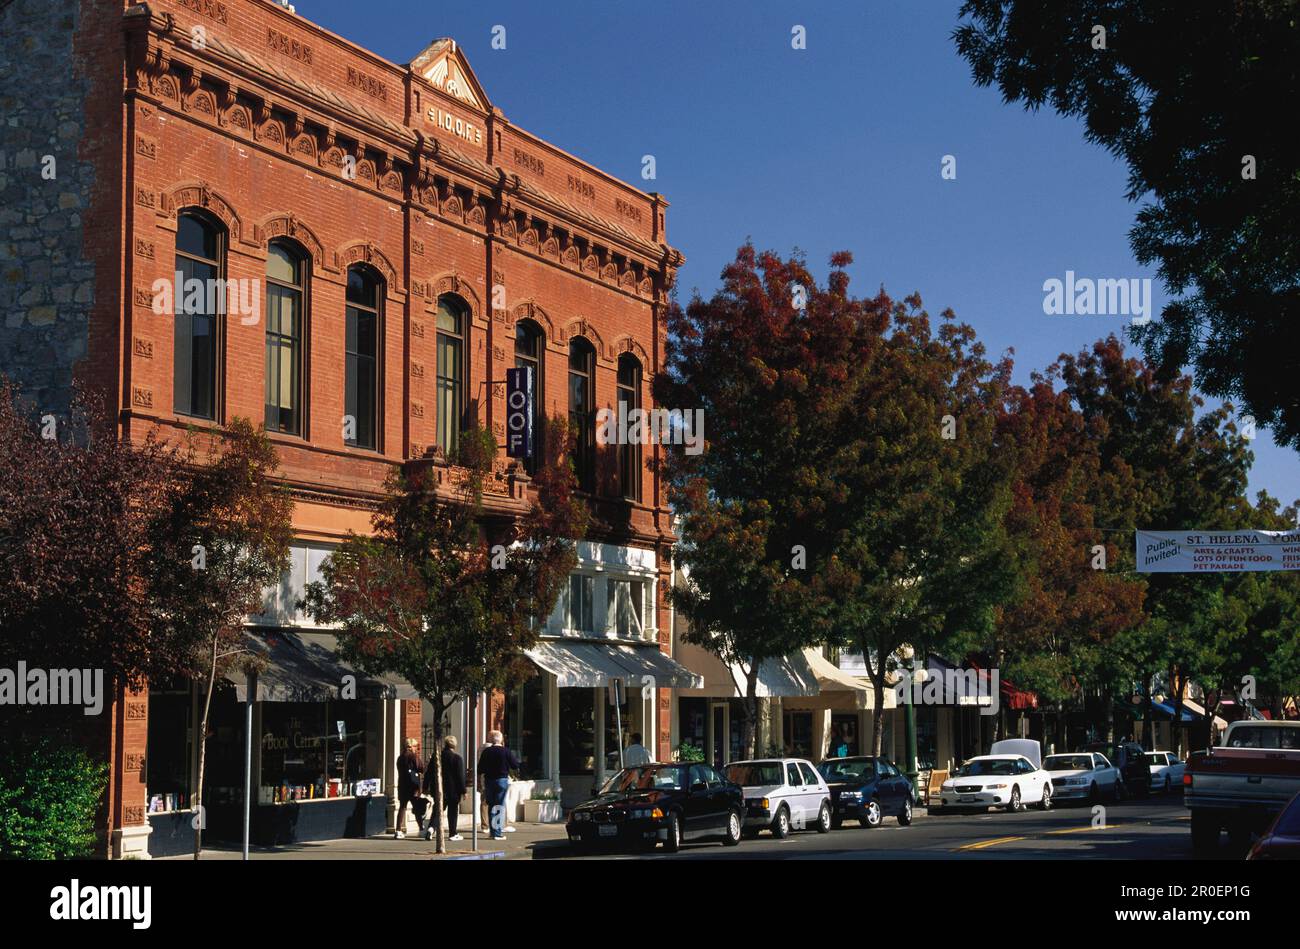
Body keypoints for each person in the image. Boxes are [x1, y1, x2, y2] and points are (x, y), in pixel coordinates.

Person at [477, 730, 521, 839]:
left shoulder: (486, 752)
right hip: (501, 780)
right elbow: (515, 765)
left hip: (489, 780)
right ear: (500, 740)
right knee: (499, 806)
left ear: (492, 740)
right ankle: (497, 833)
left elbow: (480, 768)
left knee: (491, 805)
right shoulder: (505, 751)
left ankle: (492, 832)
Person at [425, 735, 467, 841]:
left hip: (438, 788)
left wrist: (425, 786)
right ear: (455, 745)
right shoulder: (457, 758)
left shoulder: (437, 756)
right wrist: (463, 790)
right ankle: (453, 833)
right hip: (453, 790)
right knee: (452, 811)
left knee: (438, 809)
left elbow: (429, 773)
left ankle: (431, 828)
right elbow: (460, 776)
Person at [394, 738, 425, 839]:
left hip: (402, 785)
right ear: (411, 746)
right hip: (413, 786)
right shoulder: (413, 756)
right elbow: (421, 768)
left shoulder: (400, 757)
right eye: (415, 746)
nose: (416, 748)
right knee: (417, 808)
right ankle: (421, 829)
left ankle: (398, 830)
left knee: (402, 807)